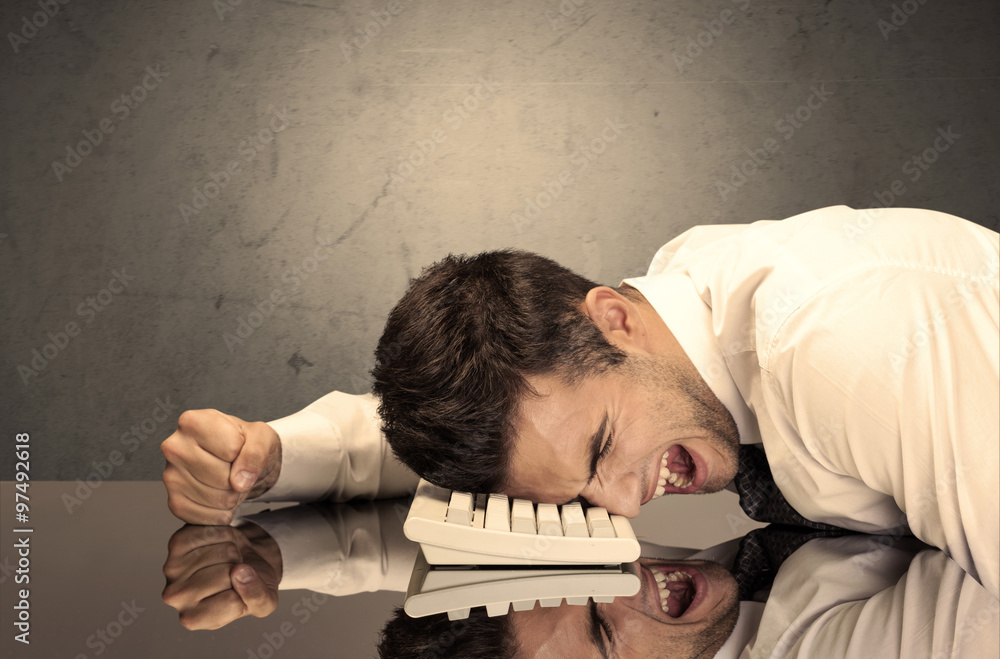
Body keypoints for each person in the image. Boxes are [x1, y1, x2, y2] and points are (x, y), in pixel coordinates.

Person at [161, 205, 999, 597]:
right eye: (584, 492)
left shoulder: (835, 342)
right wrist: (274, 454)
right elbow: (529, 426)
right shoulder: (665, 332)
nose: (627, 503)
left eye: (603, 453)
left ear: (614, 317)